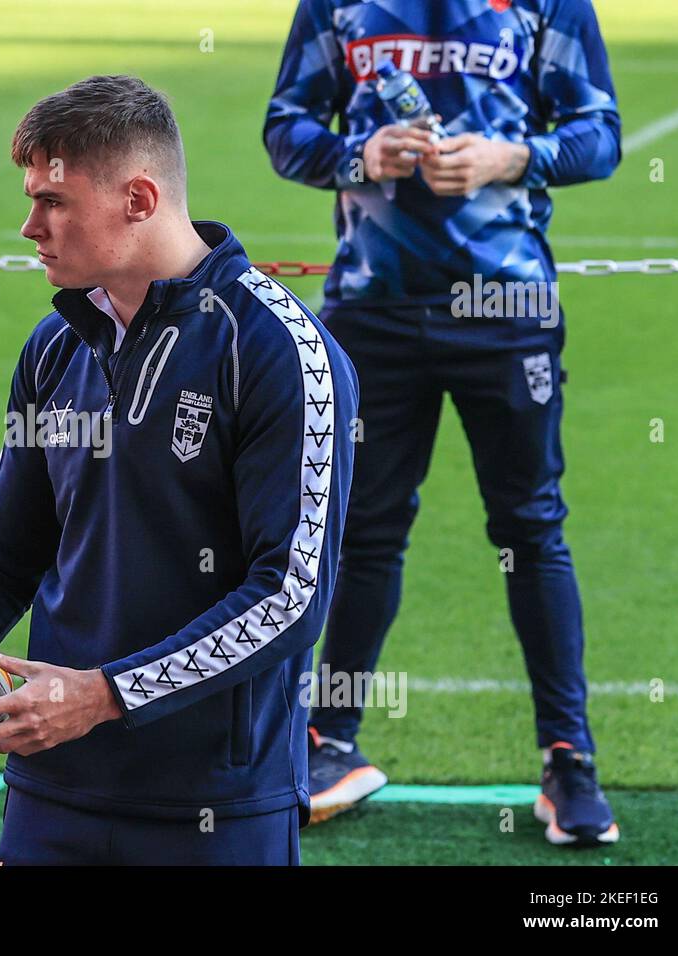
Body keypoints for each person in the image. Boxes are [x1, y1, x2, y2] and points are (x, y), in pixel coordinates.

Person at [0, 74, 358, 865]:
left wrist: (104, 696)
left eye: (53, 202)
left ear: (138, 198)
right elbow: (4, 551)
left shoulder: (279, 352)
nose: (30, 226)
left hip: (212, 807)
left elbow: (290, 595)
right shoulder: (56, 346)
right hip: (52, 789)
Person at [263, 0, 621, 845]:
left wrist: (511, 157)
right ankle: (328, 742)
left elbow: (600, 133)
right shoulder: (337, 6)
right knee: (364, 533)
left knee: (532, 529)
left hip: (508, 309)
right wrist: (361, 152)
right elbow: (286, 128)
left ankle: (567, 759)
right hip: (372, 313)